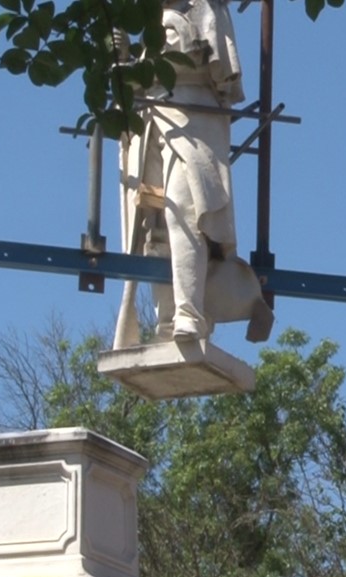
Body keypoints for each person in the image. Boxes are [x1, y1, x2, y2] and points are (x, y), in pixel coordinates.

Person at [113, 0, 273, 350]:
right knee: (151, 229)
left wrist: (143, 62)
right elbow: (130, 87)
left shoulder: (203, 8)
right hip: (148, 119)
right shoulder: (142, 17)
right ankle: (168, 319)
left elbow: (209, 64)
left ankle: (190, 312)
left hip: (190, 114)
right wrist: (121, 60)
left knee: (183, 211)